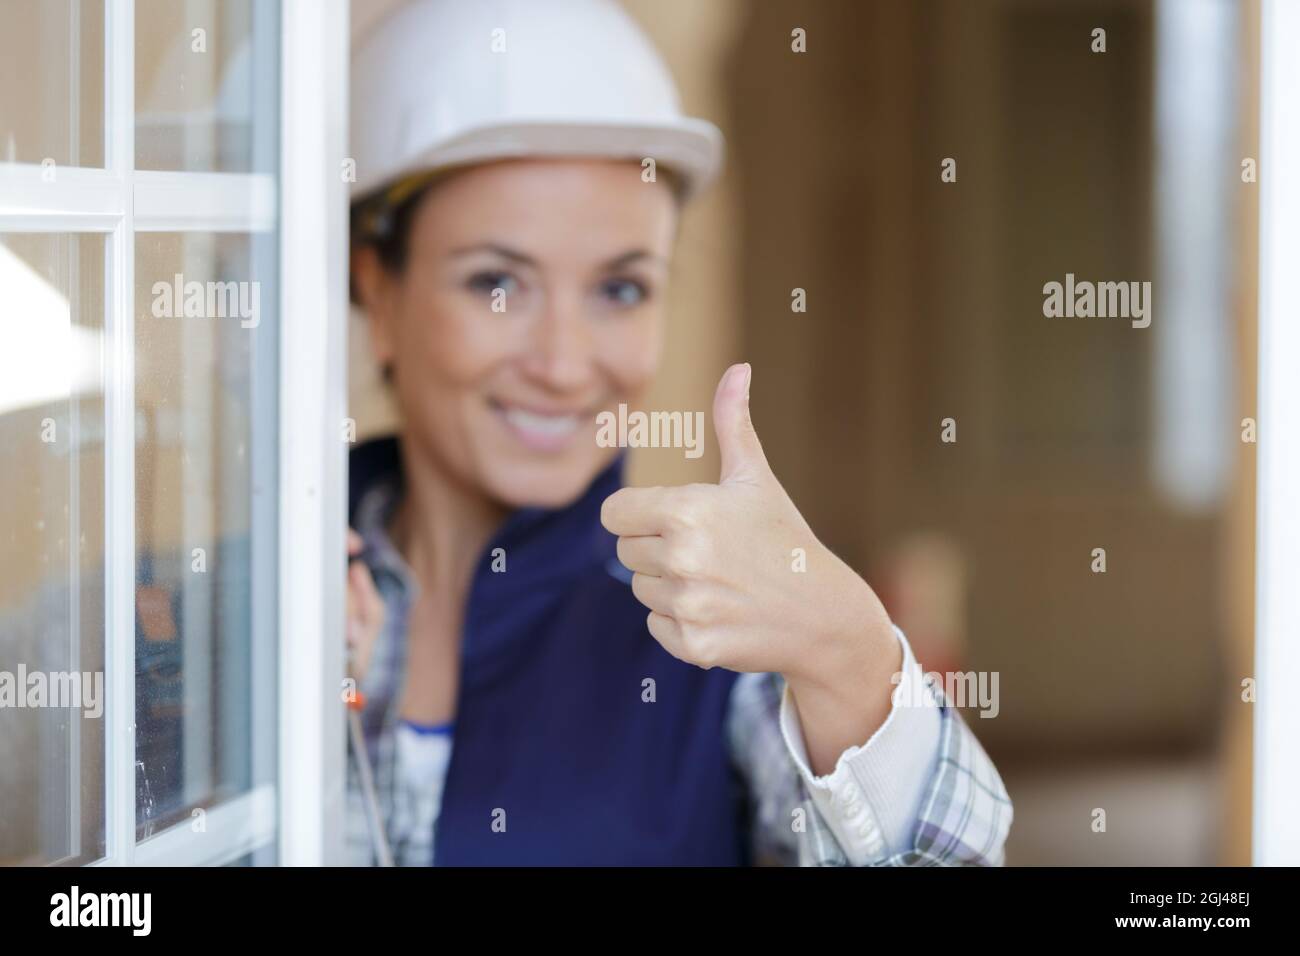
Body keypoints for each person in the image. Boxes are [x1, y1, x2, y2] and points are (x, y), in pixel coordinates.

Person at [344, 0, 1012, 866]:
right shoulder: (237, 612)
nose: (563, 362)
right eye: (497, 284)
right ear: (378, 292)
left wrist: (847, 649)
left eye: (620, 289)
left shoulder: (713, 629)